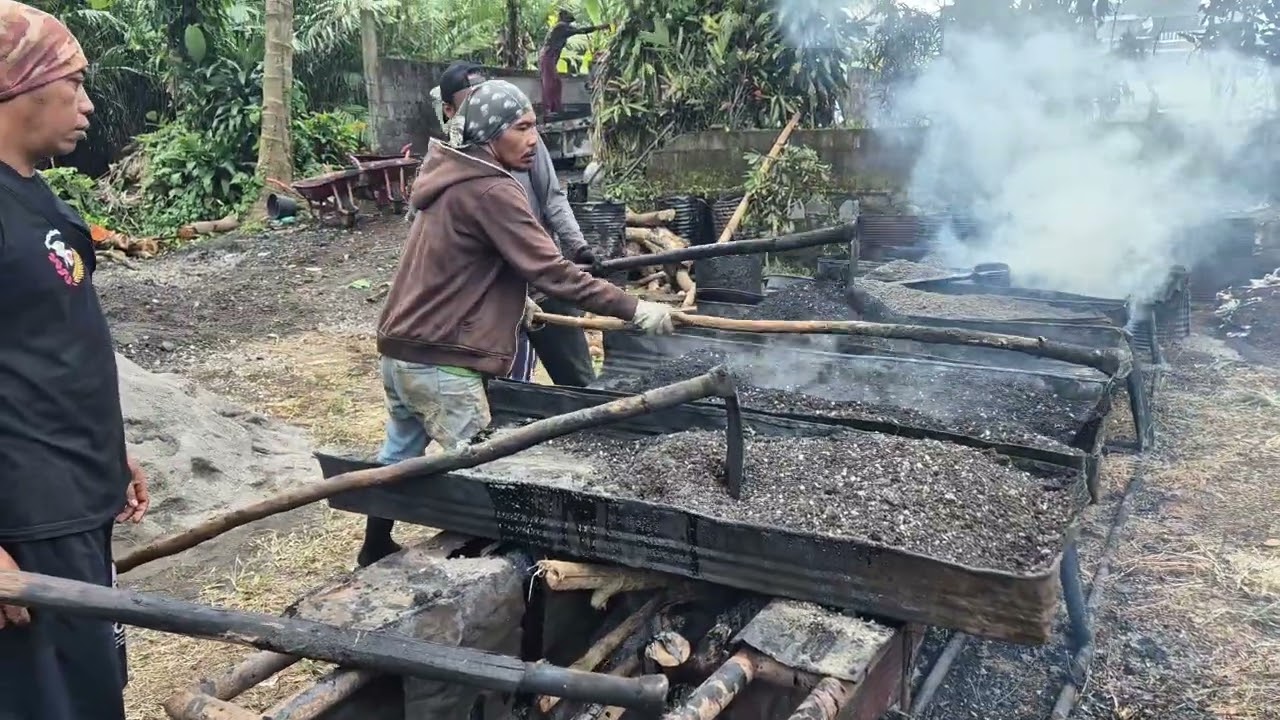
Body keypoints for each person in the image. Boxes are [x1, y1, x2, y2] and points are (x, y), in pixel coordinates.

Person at [358, 79, 673, 569]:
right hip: (442, 363)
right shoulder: (490, 188)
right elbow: (552, 271)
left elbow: (457, 266)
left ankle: (373, 544)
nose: (534, 140)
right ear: (490, 133)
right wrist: (635, 309)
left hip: (403, 354)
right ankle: (492, 573)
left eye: (535, 129)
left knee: (398, 456)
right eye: (522, 128)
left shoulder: (448, 179)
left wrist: (510, 302)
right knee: (488, 472)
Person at [0, 3, 150, 718]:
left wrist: (111, 449)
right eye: (75, 82)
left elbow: (52, 340)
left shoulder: (30, 192)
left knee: (94, 686)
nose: (88, 102)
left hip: (74, 492)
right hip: (27, 512)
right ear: (15, 85)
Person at [421, 61, 600, 388]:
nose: (485, 104)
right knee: (502, 388)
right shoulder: (448, 162)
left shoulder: (522, 140)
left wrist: (578, 246)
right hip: (491, 295)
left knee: (580, 382)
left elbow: (552, 196)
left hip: (543, 283)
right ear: (448, 110)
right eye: (471, 99)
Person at [539, 10, 607, 116]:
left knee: (556, 82)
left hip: (551, 56)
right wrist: (599, 27)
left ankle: (556, 108)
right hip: (549, 55)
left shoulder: (562, 27)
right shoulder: (561, 26)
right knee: (550, 82)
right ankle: (549, 110)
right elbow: (582, 30)